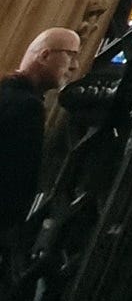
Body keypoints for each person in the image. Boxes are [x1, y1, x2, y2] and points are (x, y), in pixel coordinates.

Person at [0, 28, 78, 251]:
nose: (75, 66)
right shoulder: (27, 106)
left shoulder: (7, 92)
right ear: (44, 56)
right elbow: (17, 178)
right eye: (71, 55)